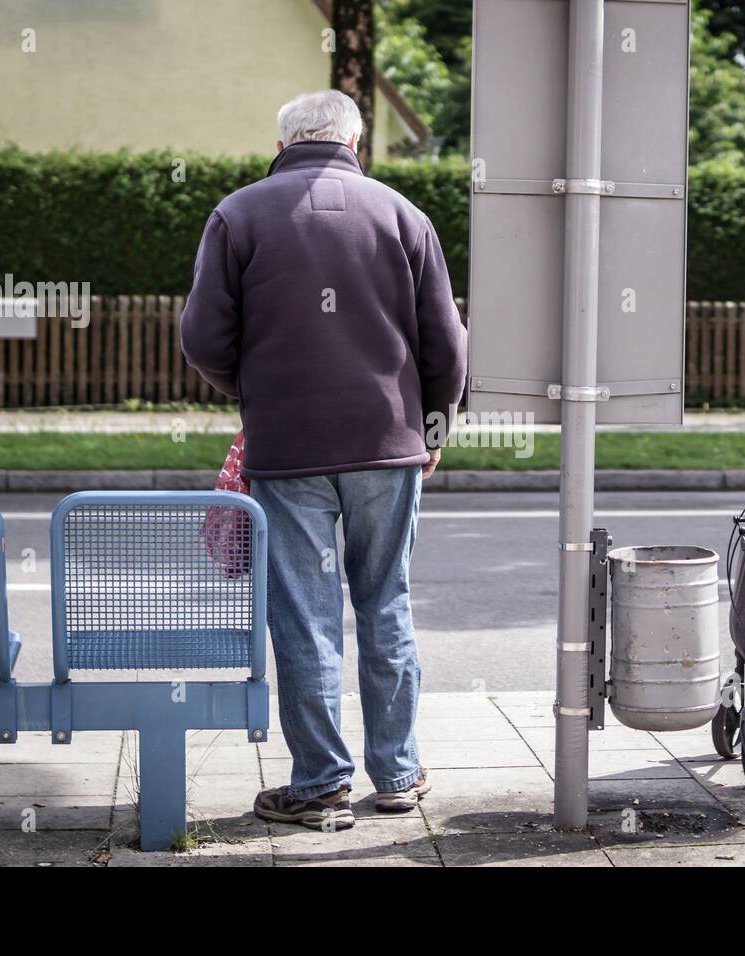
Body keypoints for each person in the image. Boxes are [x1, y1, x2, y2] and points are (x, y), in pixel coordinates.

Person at [180, 90, 468, 829]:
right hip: (389, 442)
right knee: (386, 602)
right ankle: (399, 775)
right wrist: (431, 429)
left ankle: (317, 783)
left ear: (280, 144)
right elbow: (446, 343)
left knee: (304, 616)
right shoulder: (404, 215)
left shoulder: (237, 215)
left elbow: (202, 335)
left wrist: (253, 389)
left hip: (287, 448)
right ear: (355, 141)